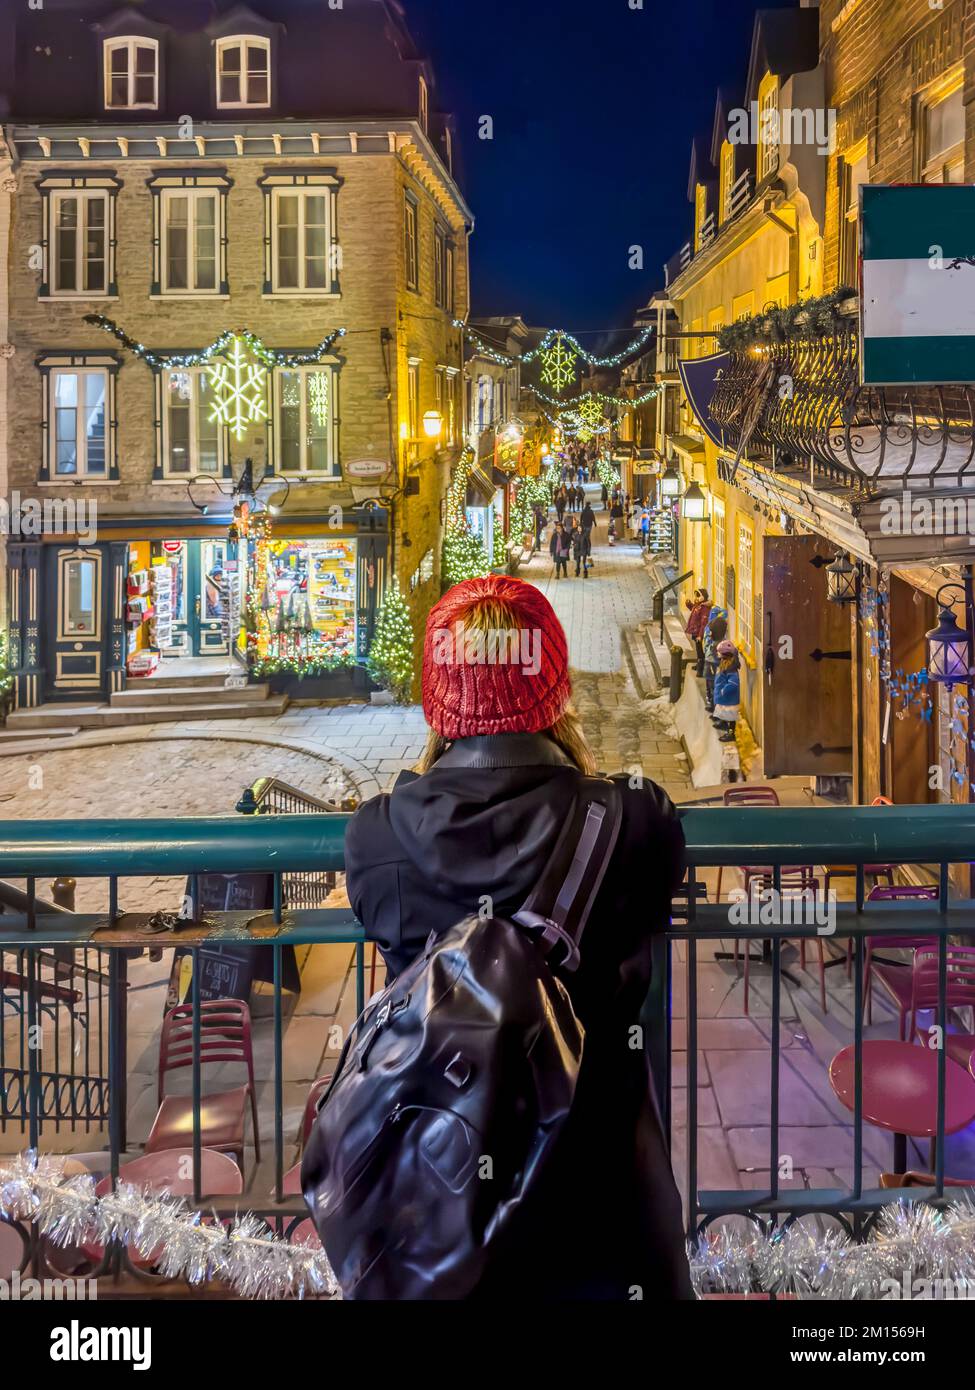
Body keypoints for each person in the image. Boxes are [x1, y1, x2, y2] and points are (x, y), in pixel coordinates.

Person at [342, 574, 692, 1302]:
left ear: (441, 698)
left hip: (442, 1203)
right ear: (553, 690)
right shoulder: (631, 823)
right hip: (600, 1194)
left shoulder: (375, 835)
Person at [712, 639, 741, 742]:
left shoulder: (730, 668)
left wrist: (724, 690)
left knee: (731, 718)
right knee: (724, 713)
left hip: (729, 699)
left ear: (725, 654)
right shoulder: (725, 664)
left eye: (719, 653)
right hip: (725, 698)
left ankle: (730, 733)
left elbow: (733, 683)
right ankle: (724, 723)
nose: (718, 654)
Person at [703, 605, 728, 711]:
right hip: (710, 666)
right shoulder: (714, 642)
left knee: (714, 687)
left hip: (713, 667)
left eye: (712, 632)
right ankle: (712, 704)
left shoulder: (718, 645)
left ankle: (715, 707)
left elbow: (715, 657)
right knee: (709, 685)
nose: (710, 633)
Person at [684, 588, 711, 677]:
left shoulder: (704, 608)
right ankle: (698, 665)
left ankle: (701, 669)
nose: (696, 597)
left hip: (698, 632)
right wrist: (688, 604)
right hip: (695, 631)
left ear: (702, 597)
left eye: (698, 596)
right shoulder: (698, 605)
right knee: (697, 649)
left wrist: (700, 635)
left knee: (700, 651)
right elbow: (693, 609)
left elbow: (704, 623)